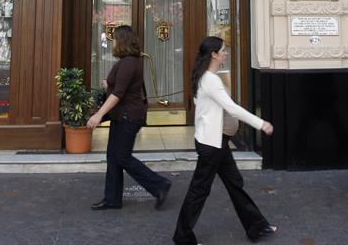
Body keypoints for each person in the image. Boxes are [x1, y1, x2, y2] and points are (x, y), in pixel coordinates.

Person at [173, 37, 277, 244]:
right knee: (200, 190)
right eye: (223, 50)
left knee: (234, 184)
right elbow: (232, 108)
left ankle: (256, 225)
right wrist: (261, 123)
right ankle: (182, 236)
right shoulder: (210, 80)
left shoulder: (206, 76)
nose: (226, 53)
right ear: (213, 54)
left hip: (216, 141)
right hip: (212, 144)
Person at [86, 25, 172, 210]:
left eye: (115, 39)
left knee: (122, 157)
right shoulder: (129, 62)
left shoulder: (128, 63)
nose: (113, 43)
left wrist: (98, 115)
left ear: (122, 41)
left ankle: (159, 184)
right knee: (113, 156)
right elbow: (120, 87)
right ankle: (112, 199)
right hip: (122, 116)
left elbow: (118, 94)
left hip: (128, 117)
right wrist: (107, 83)